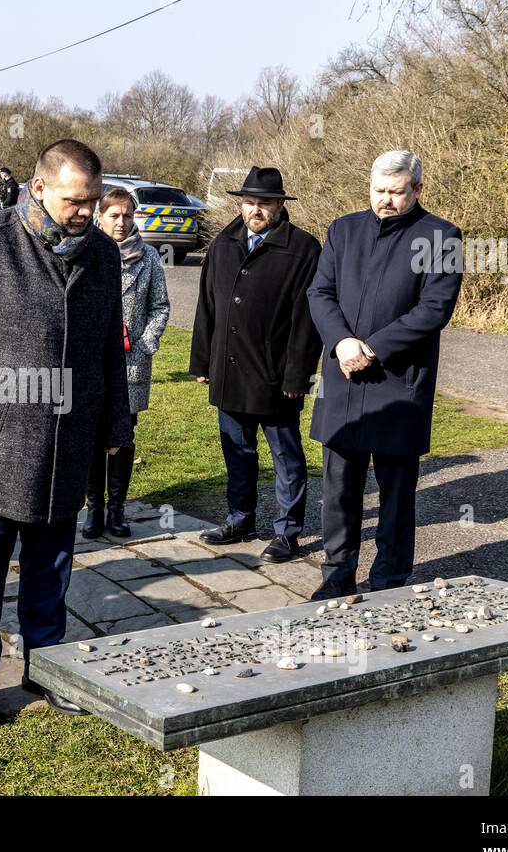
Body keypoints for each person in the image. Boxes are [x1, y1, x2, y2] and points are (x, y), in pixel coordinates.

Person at [0, 138, 132, 728]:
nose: (87, 213)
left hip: (70, 439)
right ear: (38, 189)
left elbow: (108, 352)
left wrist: (115, 424)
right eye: (76, 201)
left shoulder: (101, 253)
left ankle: (48, 668)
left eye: (93, 202)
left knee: (52, 570)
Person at [307, 149, 462, 598]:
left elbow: (434, 309)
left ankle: (389, 579)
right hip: (342, 376)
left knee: (396, 493)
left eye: (396, 192)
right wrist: (341, 342)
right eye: (378, 191)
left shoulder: (441, 236)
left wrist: (372, 348)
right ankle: (336, 575)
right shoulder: (343, 229)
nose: (386, 201)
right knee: (338, 489)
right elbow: (320, 292)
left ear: (417, 189)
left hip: (399, 382)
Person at [190, 167, 323, 562]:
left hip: (276, 377)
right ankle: (240, 519)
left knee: (286, 457)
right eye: (249, 202)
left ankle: (287, 532)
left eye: (264, 203)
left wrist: (297, 375)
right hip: (229, 371)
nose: (256, 210)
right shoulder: (224, 244)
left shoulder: (303, 249)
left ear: (280, 205)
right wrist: (202, 360)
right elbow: (207, 306)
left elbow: (307, 320)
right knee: (238, 451)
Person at [83, 187, 170, 538]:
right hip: (89, 362)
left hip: (130, 363)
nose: (121, 222)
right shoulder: (84, 252)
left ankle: (117, 508)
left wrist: (145, 343)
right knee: (90, 435)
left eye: (127, 215)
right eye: (114, 215)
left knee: (123, 434)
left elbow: (160, 306)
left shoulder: (148, 257)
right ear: (99, 216)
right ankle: (94, 509)